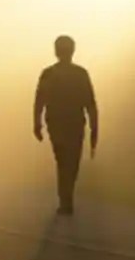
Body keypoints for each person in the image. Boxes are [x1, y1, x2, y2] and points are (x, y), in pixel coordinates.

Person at [33, 35, 98, 215]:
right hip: (72, 125)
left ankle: (65, 198)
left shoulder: (50, 74)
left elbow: (39, 101)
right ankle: (66, 198)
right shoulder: (79, 74)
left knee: (64, 161)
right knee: (70, 161)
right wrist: (94, 128)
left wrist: (37, 123)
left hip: (60, 125)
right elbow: (90, 104)